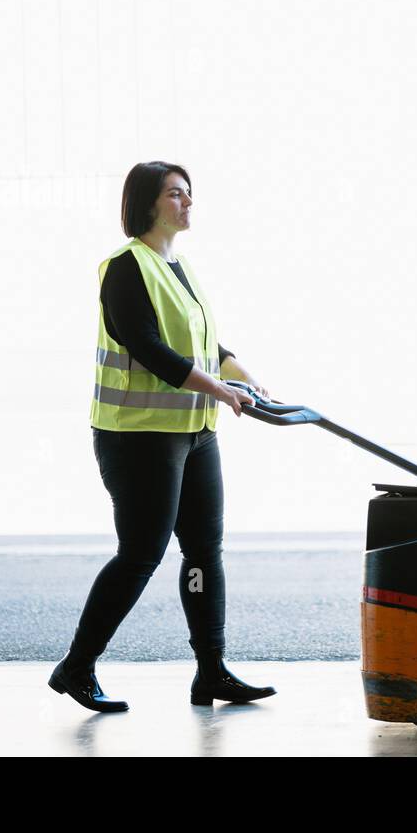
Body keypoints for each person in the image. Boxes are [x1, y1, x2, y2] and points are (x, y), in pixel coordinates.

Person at [48, 161, 277, 713]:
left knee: (203, 551)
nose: (187, 203)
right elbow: (150, 350)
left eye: (189, 193)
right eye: (176, 195)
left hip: (193, 431)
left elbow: (206, 344)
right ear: (147, 204)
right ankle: (77, 667)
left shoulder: (179, 266)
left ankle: (212, 671)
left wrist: (247, 378)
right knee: (141, 554)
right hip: (138, 438)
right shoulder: (126, 269)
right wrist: (223, 393)